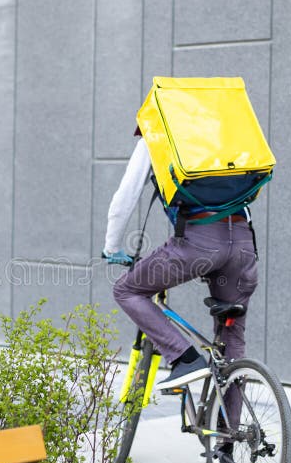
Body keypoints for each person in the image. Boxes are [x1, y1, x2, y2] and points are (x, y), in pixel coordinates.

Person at [102, 137, 259, 393]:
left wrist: (112, 247)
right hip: (244, 242)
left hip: (199, 242)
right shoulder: (227, 130)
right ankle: (228, 430)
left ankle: (185, 359)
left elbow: (126, 196)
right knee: (232, 340)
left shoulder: (158, 133)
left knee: (127, 290)